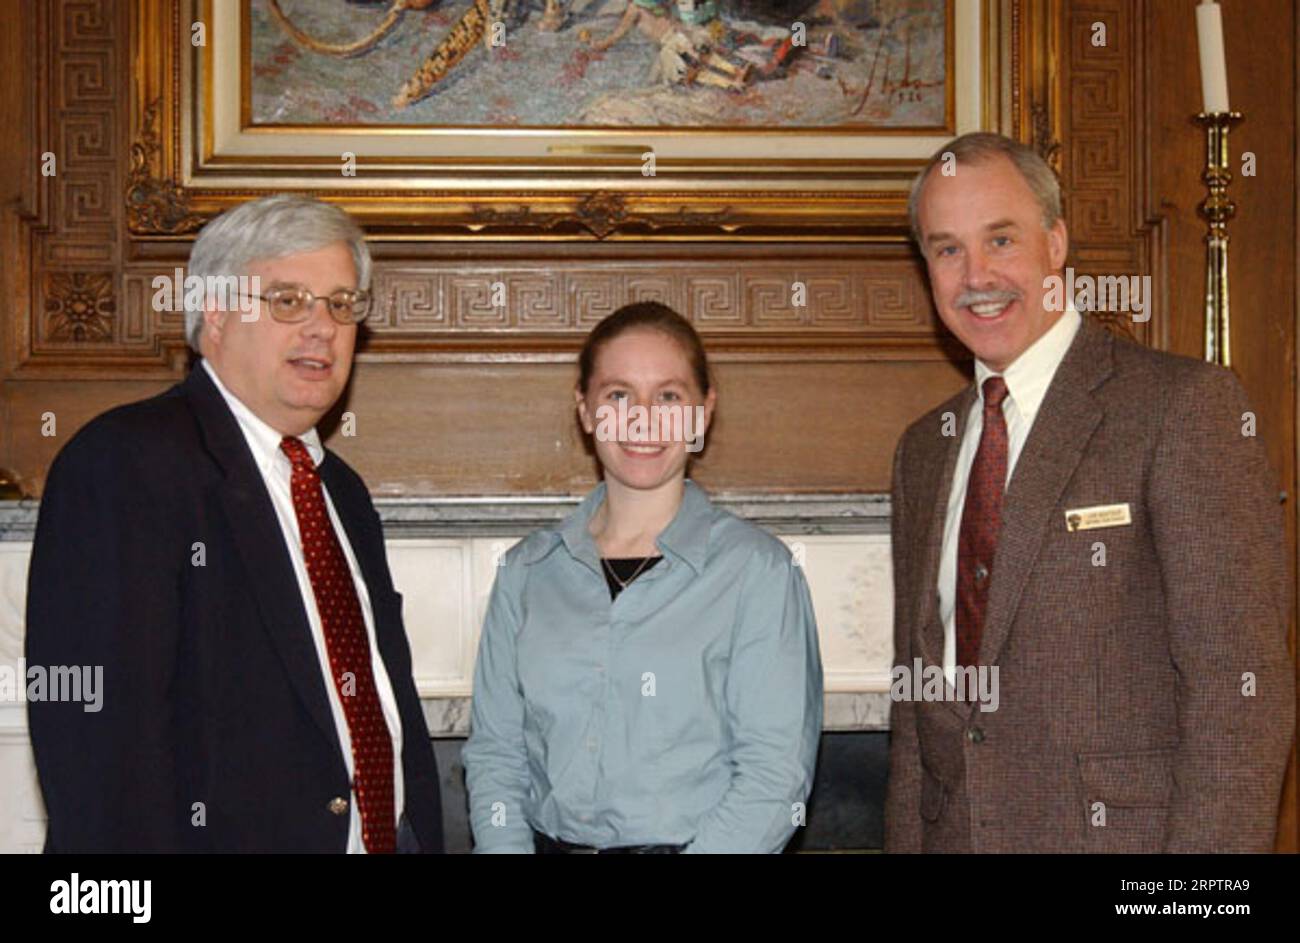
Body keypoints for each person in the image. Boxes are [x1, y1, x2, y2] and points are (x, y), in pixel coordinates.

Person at [884, 131, 1295, 853]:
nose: (976, 274)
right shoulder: (925, 449)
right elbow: (919, 711)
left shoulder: (1182, 407)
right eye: (947, 249)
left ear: (1055, 242)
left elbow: (1240, 696)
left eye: (1001, 239)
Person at [26, 194, 443, 853]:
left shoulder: (342, 490)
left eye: (340, 304)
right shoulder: (126, 464)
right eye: (287, 301)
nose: (322, 327)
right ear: (215, 316)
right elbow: (98, 743)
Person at [463, 301, 823, 853]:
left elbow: (774, 781)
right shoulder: (526, 572)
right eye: (618, 394)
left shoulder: (759, 573)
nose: (643, 418)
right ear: (585, 410)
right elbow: (496, 755)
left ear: (703, 412)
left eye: (670, 396)